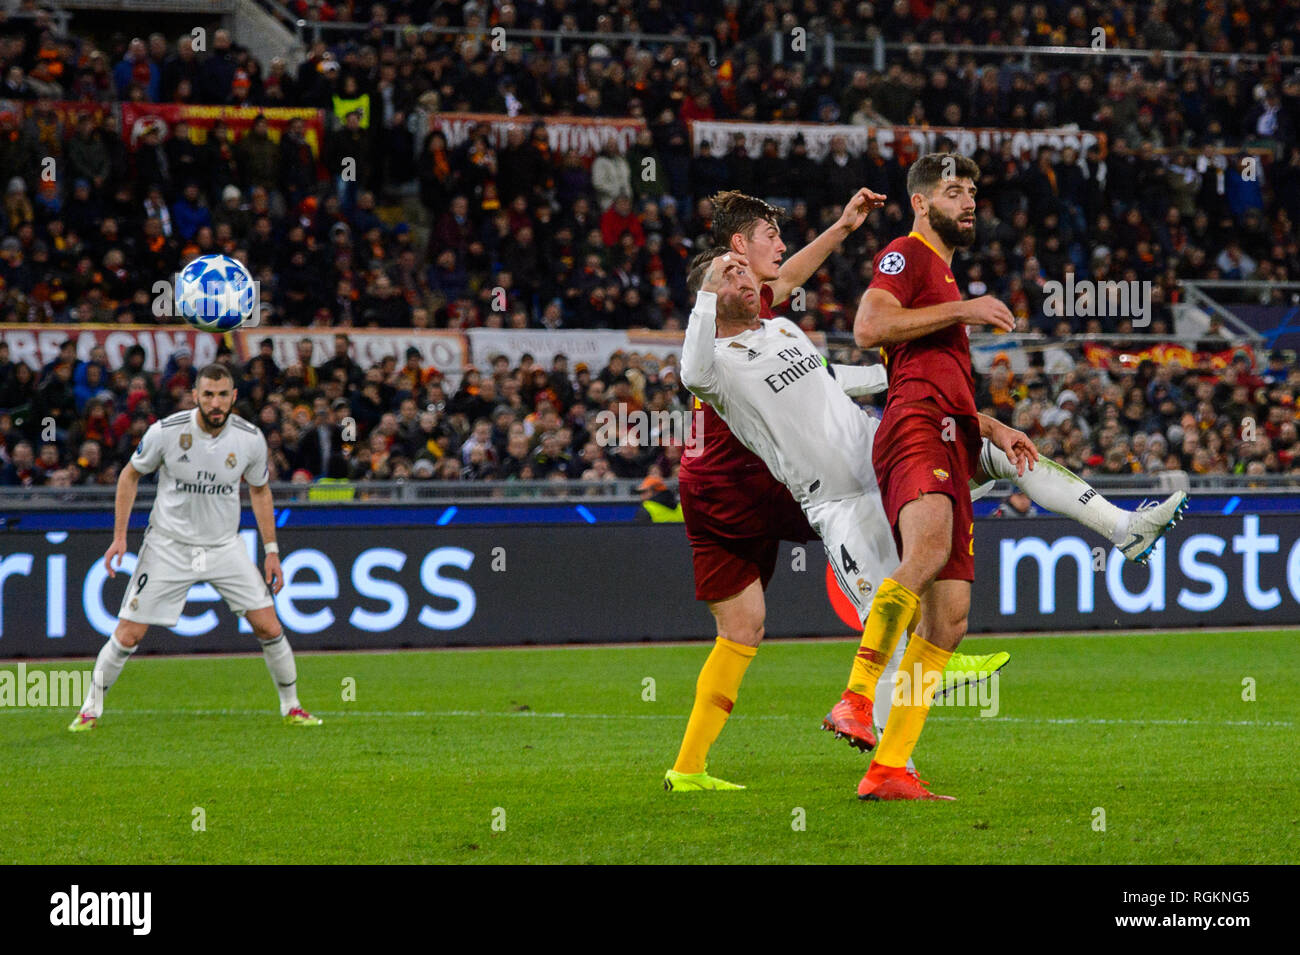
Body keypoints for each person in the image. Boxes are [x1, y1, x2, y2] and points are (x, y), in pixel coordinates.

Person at [666, 189, 1185, 792]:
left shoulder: (781, 329)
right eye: (729, 273)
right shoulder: (717, 366)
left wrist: (914, 376)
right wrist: (710, 289)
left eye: (739, 272)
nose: (743, 277)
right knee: (892, 634)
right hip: (839, 505)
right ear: (709, 296)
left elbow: (839, 376)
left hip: (883, 452)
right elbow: (691, 368)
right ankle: (893, 768)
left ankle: (1123, 528)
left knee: (1001, 451)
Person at [848, 153, 1186, 800]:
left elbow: (929, 365)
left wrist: (990, 424)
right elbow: (868, 327)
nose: (969, 200)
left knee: (948, 620)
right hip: (919, 429)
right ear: (921, 202)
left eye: (973, 190)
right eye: (953, 191)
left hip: (953, 427)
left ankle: (891, 765)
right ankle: (857, 697)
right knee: (925, 555)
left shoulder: (944, 275)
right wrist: (964, 310)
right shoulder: (908, 254)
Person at [68, 364, 321, 731]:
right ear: (195, 397)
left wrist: (271, 550)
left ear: (233, 397)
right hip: (168, 546)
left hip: (224, 546)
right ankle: (90, 709)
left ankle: (292, 706)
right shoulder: (166, 432)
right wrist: (119, 537)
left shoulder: (249, 439)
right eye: (208, 395)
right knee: (128, 634)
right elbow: (129, 474)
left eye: (222, 395)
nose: (215, 403)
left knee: (268, 627)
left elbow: (260, 489)